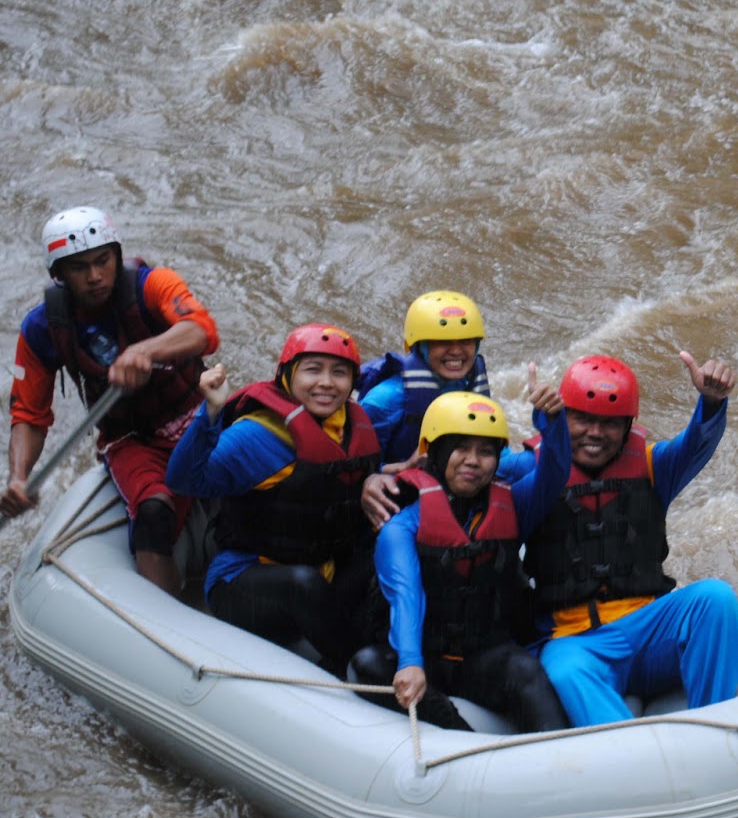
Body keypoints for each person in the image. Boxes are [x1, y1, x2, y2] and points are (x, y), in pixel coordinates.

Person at [500, 352, 738, 726]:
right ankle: (635, 760)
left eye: (610, 423)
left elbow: (698, 443)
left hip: (650, 631)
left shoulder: (653, 466)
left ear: (628, 425)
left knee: (715, 598)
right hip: (576, 642)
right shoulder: (532, 469)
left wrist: (711, 402)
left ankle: (716, 729)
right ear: (563, 417)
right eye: (582, 418)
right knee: (564, 672)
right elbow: (471, 468)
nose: (595, 433)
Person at [5, 206, 218, 595]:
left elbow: (201, 330)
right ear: (59, 275)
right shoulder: (40, 329)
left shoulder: (153, 285)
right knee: (153, 514)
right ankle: (165, 617)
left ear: (116, 255)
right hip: (132, 439)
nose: (95, 276)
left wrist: (148, 351)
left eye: (103, 260)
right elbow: (30, 414)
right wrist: (19, 477)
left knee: (259, 484)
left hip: (196, 418)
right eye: (79, 267)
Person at [350, 390, 573, 732]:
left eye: (485, 451)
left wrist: (553, 424)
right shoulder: (402, 526)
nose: (473, 460)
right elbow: (406, 594)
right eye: (461, 447)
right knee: (368, 663)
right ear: (436, 453)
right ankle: (462, 736)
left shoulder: (514, 505)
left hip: (483, 658)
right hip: (424, 658)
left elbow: (555, 473)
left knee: (524, 669)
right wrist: (410, 663)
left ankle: (560, 753)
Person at [166, 323, 381, 675]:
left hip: (322, 572)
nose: (327, 383)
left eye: (339, 373)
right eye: (313, 370)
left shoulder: (353, 426)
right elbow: (185, 479)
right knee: (302, 585)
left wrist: (390, 474)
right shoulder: (259, 435)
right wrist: (211, 415)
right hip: (243, 585)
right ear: (287, 375)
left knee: (387, 545)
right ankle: (364, 674)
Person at [358, 290, 496, 525]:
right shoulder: (384, 401)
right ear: (418, 347)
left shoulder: (471, 388)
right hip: (396, 506)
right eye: (442, 341)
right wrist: (403, 467)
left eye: (465, 341)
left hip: (453, 496)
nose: (456, 351)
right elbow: (358, 469)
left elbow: (495, 454)